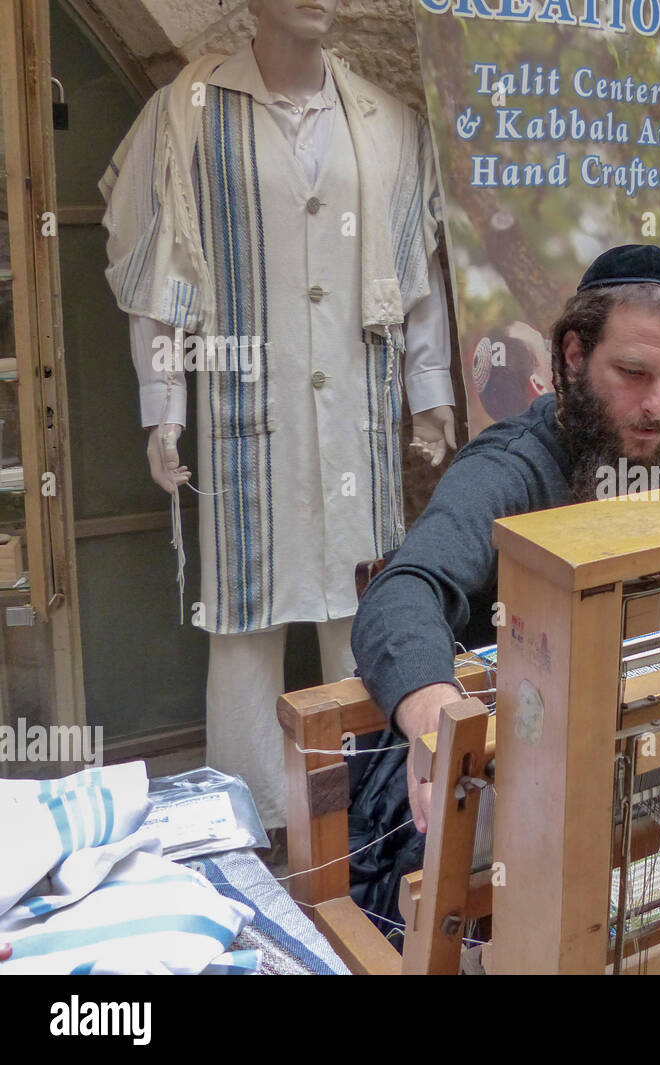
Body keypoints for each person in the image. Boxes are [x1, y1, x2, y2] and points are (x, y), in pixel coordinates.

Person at [99, 0, 454, 832]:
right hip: (241, 408)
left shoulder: (387, 121)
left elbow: (419, 273)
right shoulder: (184, 113)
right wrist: (164, 408)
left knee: (360, 608)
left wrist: (429, 393)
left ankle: (368, 813)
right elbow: (158, 277)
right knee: (245, 624)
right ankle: (245, 819)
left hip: (356, 410)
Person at [352, 245, 660, 839]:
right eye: (633, 373)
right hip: (509, 773)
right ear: (574, 355)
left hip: (630, 743)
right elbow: (404, 591)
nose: (656, 406)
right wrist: (437, 713)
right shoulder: (508, 470)